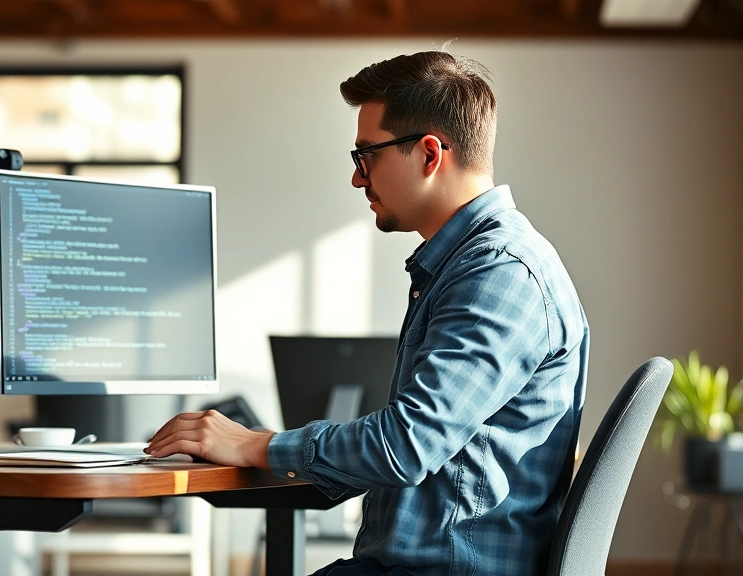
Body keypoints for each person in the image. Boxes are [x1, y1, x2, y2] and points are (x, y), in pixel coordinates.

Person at [147, 50, 589, 576]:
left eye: (367, 155)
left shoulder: (499, 274)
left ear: (429, 154)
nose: (358, 179)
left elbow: (405, 446)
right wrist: (267, 452)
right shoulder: (468, 265)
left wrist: (256, 444)